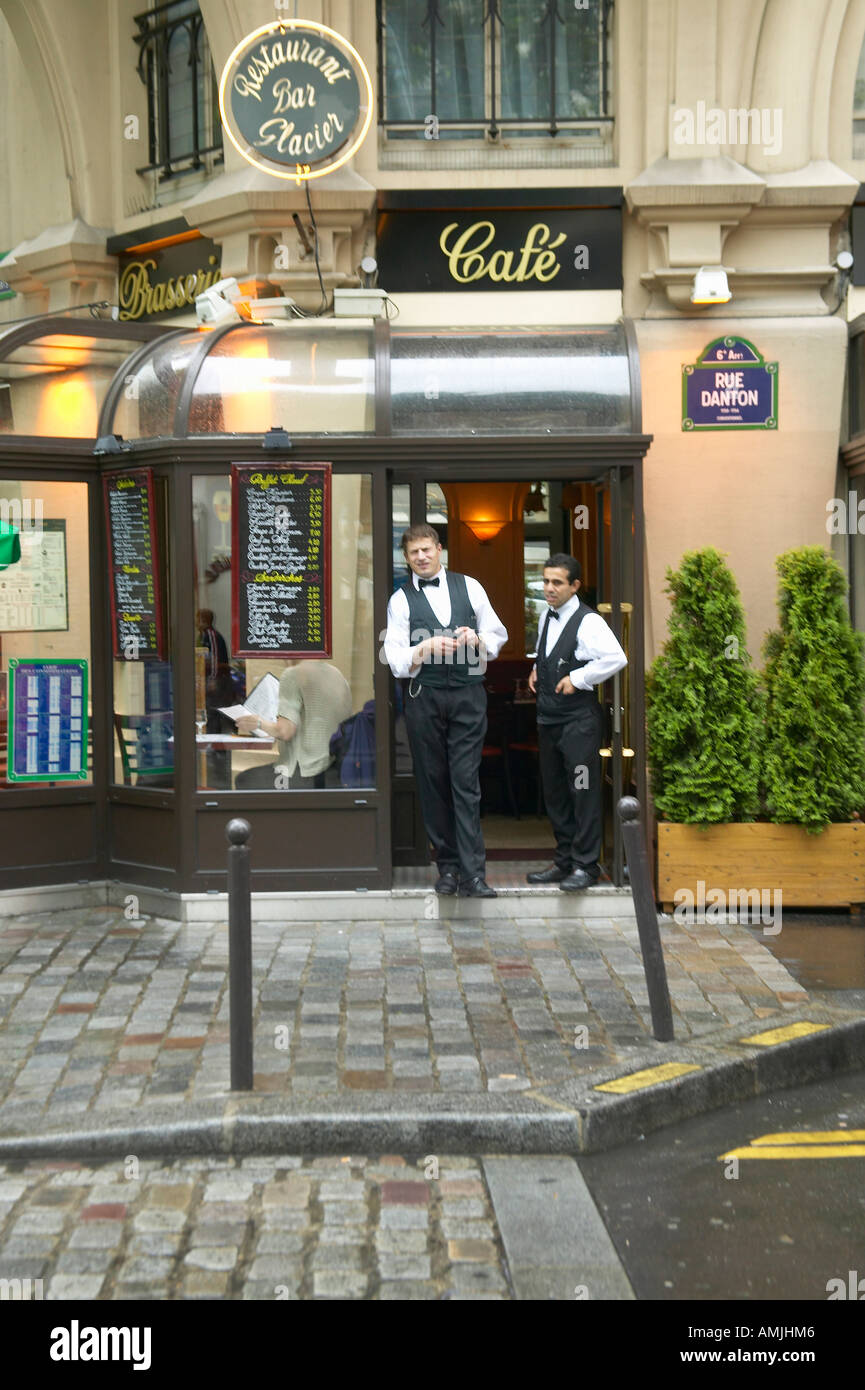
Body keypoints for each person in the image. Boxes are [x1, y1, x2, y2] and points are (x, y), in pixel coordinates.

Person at [384, 523, 507, 897]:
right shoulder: (401, 600)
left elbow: (497, 636)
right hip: (425, 697)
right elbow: (394, 658)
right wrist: (424, 650)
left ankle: (474, 874)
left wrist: (478, 640)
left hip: (469, 696)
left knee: (465, 783)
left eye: (426, 549)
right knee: (433, 781)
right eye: (413, 553)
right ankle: (448, 868)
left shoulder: (470, 586)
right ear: (406, 559)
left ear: (439, 549)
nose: (421, 557)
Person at [527, 553, 627, 891]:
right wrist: (537, 669)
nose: (549, 588)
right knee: (555, 793)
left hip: (579, 723)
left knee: (582, 790)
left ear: (575, 586)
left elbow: (617, 657)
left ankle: (587, 865)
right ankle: (565, 861)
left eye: (557, 583)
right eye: (546, 581)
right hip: (548, 720)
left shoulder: (589, 621)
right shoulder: (545, 618)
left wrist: (580, 678)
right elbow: (549, 655)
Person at [234, 660, 352, 789]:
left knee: (244, 780)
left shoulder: (293, 674)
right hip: (333, 768)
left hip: (304, 772)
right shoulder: (336, 673)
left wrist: (257, 723)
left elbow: (285, 732)